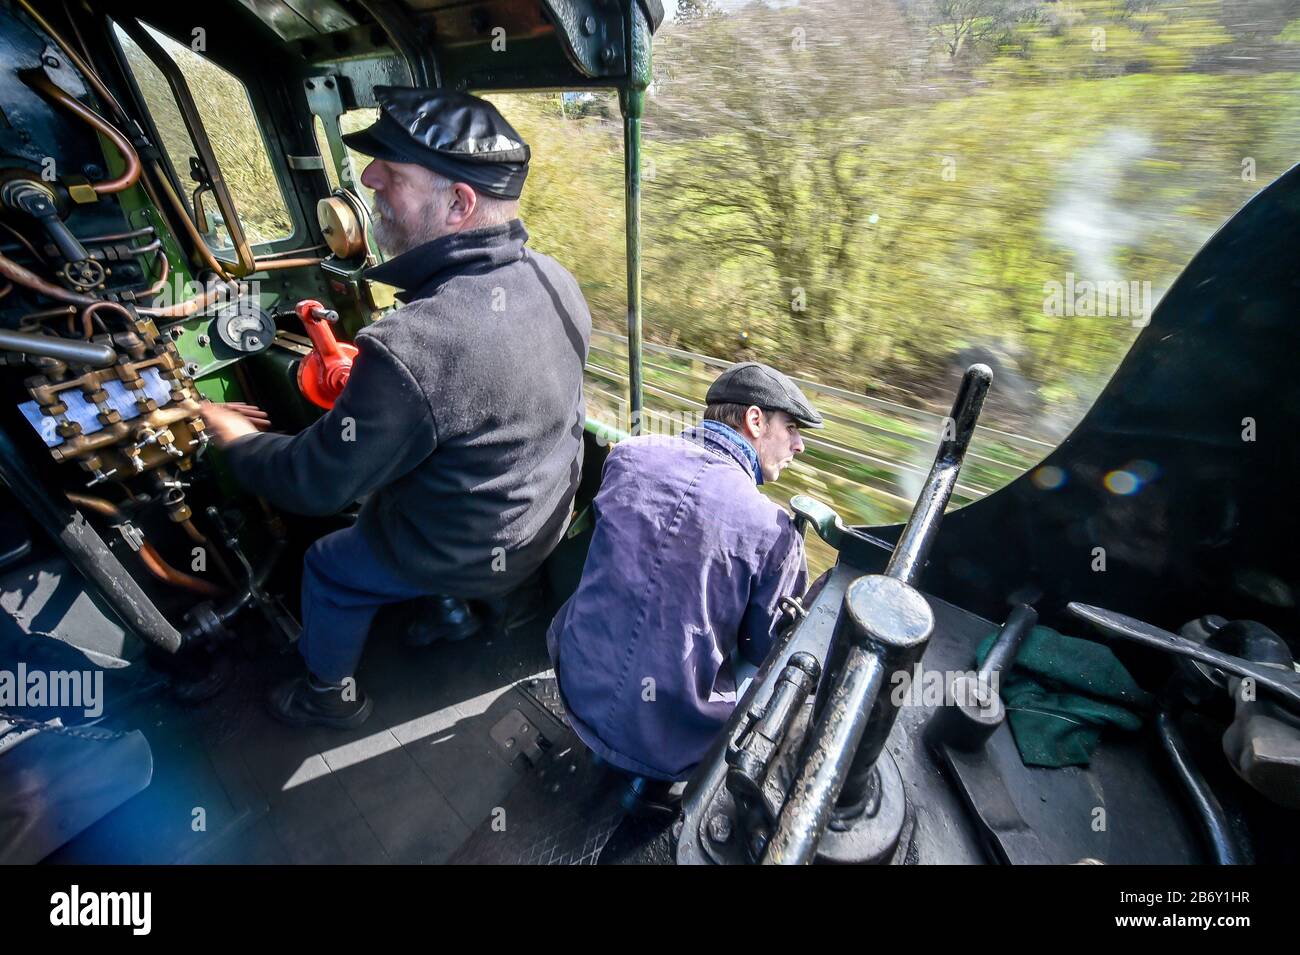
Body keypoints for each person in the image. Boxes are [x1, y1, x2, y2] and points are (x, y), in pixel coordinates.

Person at [202, 87, 592, 729]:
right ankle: (447, 608)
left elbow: (313, 482)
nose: (368, 180)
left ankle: (328, 700)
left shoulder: (413, 344)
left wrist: (235, 438)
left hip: (473, 545)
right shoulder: (554, 277)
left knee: (328, 564)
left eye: (394, 177)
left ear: (460, 203)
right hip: (543, 518)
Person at [547, 362, 823, 781]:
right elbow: (762, 650)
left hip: (575, 686)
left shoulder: (627, 456)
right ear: (754, 420)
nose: (798, 445)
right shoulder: (775, 531)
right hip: (672, 750)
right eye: (791, 428)